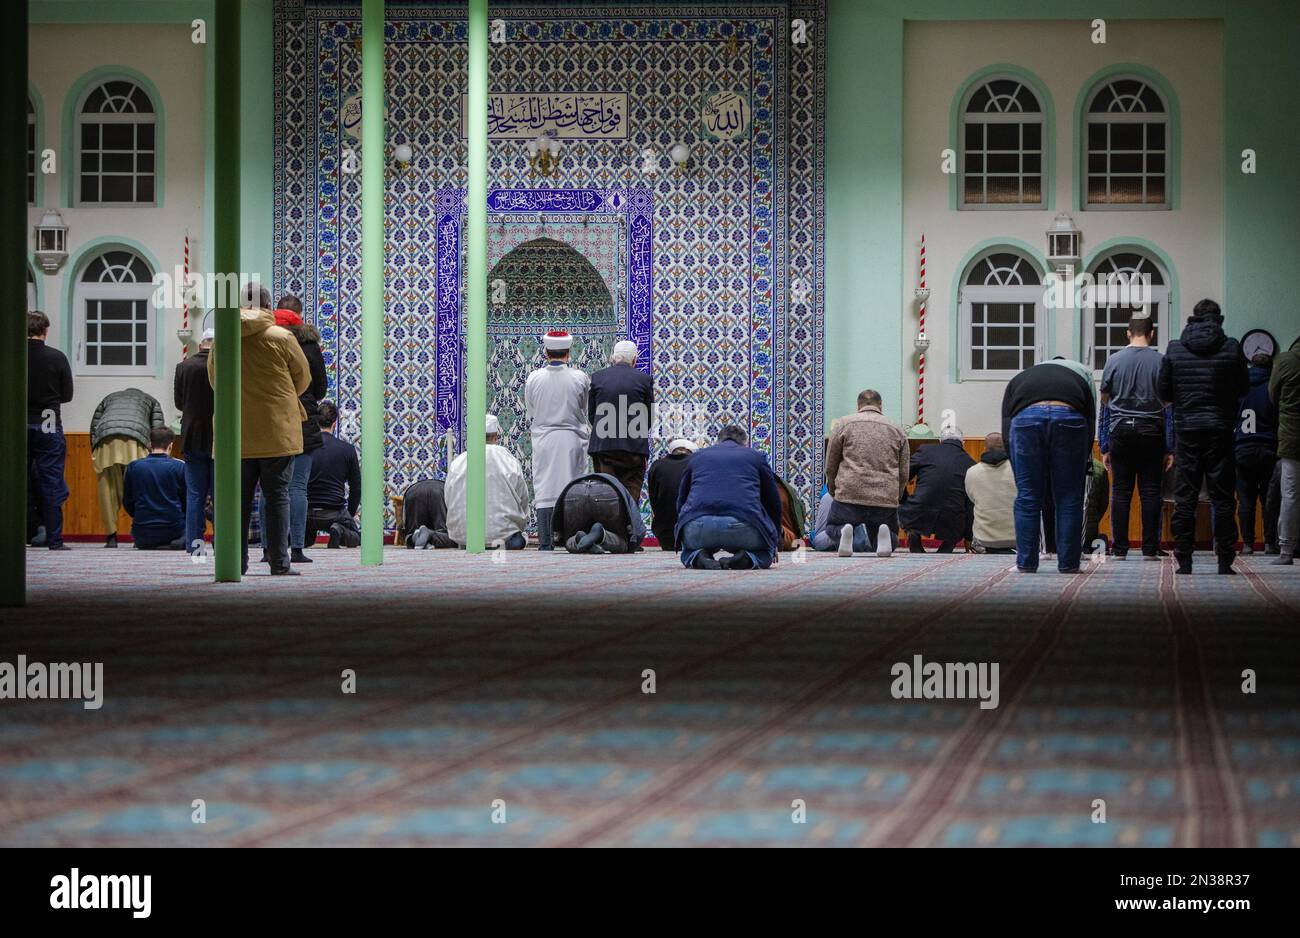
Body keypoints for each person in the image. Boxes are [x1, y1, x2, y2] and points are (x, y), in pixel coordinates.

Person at [208, 282, 311, 576]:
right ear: (268, 306)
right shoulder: (281, 337)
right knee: (278, 496)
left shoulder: (223, 338)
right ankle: (279, 562)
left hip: (235, 431)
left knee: (236, 500)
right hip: (277, 430)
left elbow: (215, 381)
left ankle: (234, 563)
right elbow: (302, 379)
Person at [1158, 299, 1249, 574]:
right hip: (1220, 430)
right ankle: (1224, 560)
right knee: (1222, 497)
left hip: (1187, 431)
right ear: (1218, 319)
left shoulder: (1175, 348)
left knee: (1185, 497)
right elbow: (1243, 388)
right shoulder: (1231, 347)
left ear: (1192, 318)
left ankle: (1184, 561)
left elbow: (1163, 393)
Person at [1001, 356, 1096, 573]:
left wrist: (1016, 464)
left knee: (1028, 496)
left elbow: (1006, 426)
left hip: (1026, 419)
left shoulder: (1020, 378)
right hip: (1070, 417)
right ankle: (1070, 565)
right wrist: (1082, 459)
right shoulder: (1078, 378)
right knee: (1069, 497)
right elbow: (1090, 424)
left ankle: (1025, 563)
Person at [1098, 315, 1173, 559]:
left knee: (1120, 491)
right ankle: (1150, 549)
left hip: (1121, 431)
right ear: (1152, 334)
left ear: (1128, 333)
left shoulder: (1114, 360)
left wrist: (1105, 444)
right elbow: (1169, 406)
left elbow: (1105, 404)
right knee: (1151, 491)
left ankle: (1120, 549)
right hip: (1152, 431)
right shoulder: (1161, 361)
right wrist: (1170, 447)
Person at [259, 307, 328, 563]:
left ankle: (268, 548)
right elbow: (320, 387)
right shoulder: (310, 348)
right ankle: (297, 548)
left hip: (270, 418)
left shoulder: (262, 341)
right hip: (303, 418)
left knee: (269, 488)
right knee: (298, 487)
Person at [675, 426, 783, 570]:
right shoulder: (755, 457)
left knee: (687, 551)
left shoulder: (697, 456)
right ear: (745, 442)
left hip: (698, 528)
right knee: (766, 552)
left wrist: (680, 532)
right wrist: (774, 538)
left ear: (718, 441)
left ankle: (698, 556)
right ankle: (747, 558)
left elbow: (681, 499)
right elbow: (773, 501)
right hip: (743, 527)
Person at [525, 330, 590, 549]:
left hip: (544, 439)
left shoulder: (534, 378)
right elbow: (585, 408)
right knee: (572, 487)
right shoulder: (579, 378)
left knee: (544, 490)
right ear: (568, 353)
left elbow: (531, 409)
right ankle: (573, 540)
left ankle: (545, 542)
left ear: (545, 351)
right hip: (572, 439)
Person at [825, 389, 909, 557]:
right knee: (891, 535)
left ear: (858, 405)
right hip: (884, 498)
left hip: (849, 495)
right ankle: (883, 536)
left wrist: (834, 490)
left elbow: (831, 464)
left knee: (832, 527)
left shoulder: (844, 424)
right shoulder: (897, 429)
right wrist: (896, 495)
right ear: (880, 405)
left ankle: (844, 532)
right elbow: (904, 471)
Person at [90, 387, 165, 548]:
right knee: (141, 488)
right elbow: (158, 431)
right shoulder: (150, 400)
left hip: (105, 439)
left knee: (108, 490)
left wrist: (94, 449)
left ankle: (111, 537)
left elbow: (94, 424)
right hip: (135, 440)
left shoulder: (109, 397)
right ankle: (140, 534)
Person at [444, 413, 530, 550]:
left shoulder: (458, 461)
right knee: (519, 538)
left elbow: (448, 499)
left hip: (464, 538)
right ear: (496, 436)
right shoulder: (509, 460)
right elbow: (523, 498)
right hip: (504, 537)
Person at [26, 311, 73, 551]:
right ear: (45, 330)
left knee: (18, 481)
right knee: (52, 482)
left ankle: (22, 534)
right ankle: (55, 539)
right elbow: (67, 395)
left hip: (19, 422)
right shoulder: (56, 357)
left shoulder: (14, 355)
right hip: (48, 420)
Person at [588, 340, 654, 504]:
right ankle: (629, 526)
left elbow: (592, 415)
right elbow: (649, 417)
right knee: (630, 496)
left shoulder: (597, 378)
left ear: (613, 358)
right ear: (634, 360)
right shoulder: (644, 379)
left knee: (606, 496)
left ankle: (609, 528)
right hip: (634, 449)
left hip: (604, 447)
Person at [899, 426, 974, 553]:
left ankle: (914, 535)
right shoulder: (970, 463)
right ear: (963, 443)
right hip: (952, 519)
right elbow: (970, 504)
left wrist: (905, 500)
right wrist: (968, 537)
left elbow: (902, 476)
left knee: (909, 508)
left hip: (918, 511)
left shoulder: (925, 451)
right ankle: (946, 549)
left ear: (940, 440)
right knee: (958, 519)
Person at [175, 325, 215, 553]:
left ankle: (195, 547)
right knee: (220, 496)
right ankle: (223, 546)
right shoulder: (224, 366)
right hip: (219, 438)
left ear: (201, 344)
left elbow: (179, 403)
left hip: (191, 436)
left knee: (195, 495)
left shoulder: (184, 367)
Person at [1236, 352, 1279, 555]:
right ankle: (1270, 542)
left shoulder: (1240, 388)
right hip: (1268, 449)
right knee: (1269, 499)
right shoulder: (1272, 388)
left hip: (1243, 448)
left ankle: (1247, 544)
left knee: (1246, 499)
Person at [305, 400, 361, 549]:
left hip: (307, 512)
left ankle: (303, 535)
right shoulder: (347, 449)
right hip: (334, 512)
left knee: (304, 538)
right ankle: (339, 530)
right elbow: (356, 488)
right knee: (356, 537)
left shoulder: (305, 448)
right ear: (335, 423)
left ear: (316, 421)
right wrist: (349, 514)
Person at [122, 427, 187, 550]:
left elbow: (127, 501)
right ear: (171, 446)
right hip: (174, 532)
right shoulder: (180, 467)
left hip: (142, 534)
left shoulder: (133, 467)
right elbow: (187, 502)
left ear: (150, 444)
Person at [553, 472, 646, 554]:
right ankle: (601, 535)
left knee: (568, 541)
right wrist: (633, 543)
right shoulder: (622, 487)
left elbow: (559, 523)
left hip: (574, 490)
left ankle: (578, 538)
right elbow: (637, 527)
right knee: (623, 543)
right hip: (607, 492)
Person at [1270, 334, 1300, 565]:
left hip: (1291, 437)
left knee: (1289, 494)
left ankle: (1287, 549)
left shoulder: (1286, 360)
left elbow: (1273, 395)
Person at [964, 432, 1017, 554]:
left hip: (984, 539)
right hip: (1018, 537)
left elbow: (972, 499)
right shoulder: (1019, 469)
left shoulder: (972, 472)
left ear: (984, 448)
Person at [646, 438, 697, 549]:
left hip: (666, 537)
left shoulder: (657, 465)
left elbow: (653, 500)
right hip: (692, 533)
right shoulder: (696, 465)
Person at [403, 478, 456, 549]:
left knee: (411, 533)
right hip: (440, 491)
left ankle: (415, 536)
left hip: (413, 491)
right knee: (453, 537)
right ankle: (430, 535)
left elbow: (402, 525)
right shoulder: (447, 488)